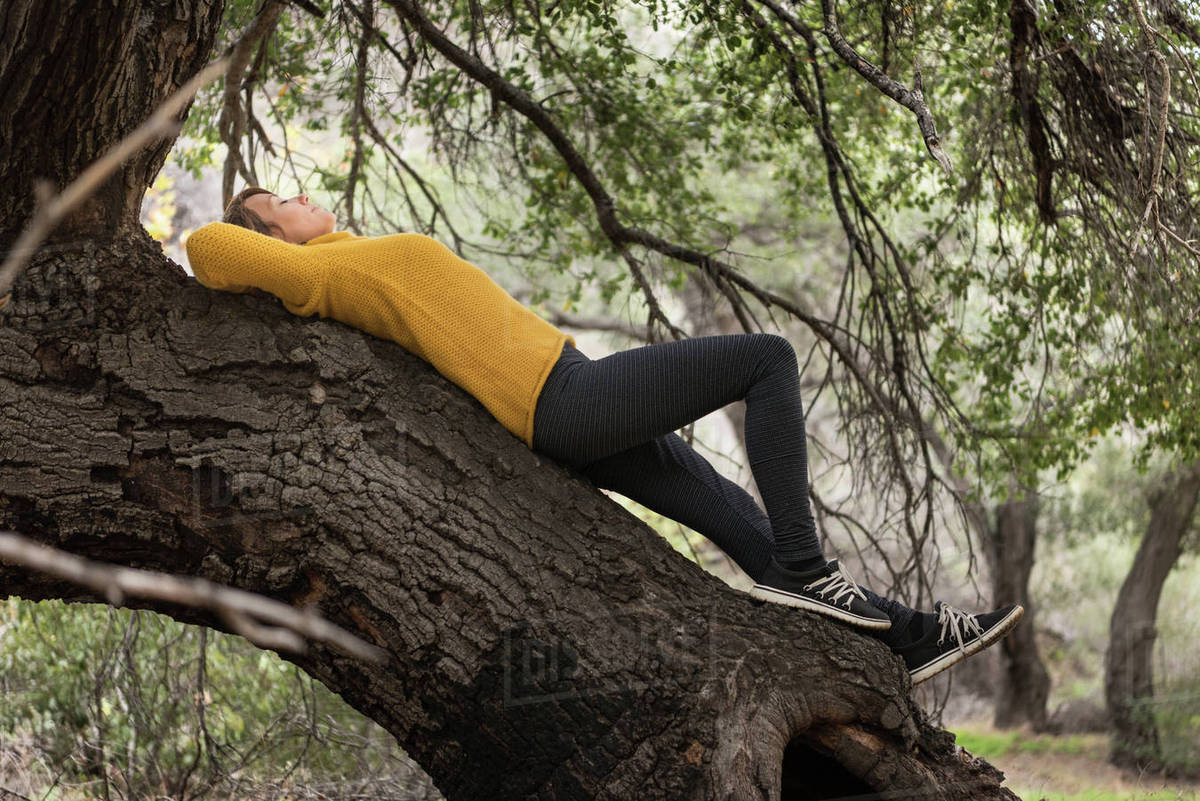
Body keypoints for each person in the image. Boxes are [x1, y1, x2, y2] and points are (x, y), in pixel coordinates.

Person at [187, 186, 1025, 685]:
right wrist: (251, 224)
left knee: (735, 513)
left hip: (567, 388)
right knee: (767, 359)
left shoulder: (347, 249)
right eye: (279, 204)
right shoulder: (319, 270)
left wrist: (278, 219)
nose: (298, 196)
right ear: (277, 240)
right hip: (562, 399)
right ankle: (812, 571)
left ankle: (903, 641)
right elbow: (204, 246)